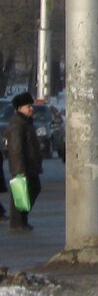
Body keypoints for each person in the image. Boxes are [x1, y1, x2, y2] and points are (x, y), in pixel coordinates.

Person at [6, 91, 44, 232]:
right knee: (21, 192)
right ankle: (17, 222)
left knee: (27, 191)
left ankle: (21, 221)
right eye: (28, 106)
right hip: (22, 166)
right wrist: (19, 170)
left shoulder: (25, 122)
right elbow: (16, 149)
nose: (31, 109)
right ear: (19, 108)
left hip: (29, 165)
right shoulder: (17, 124)